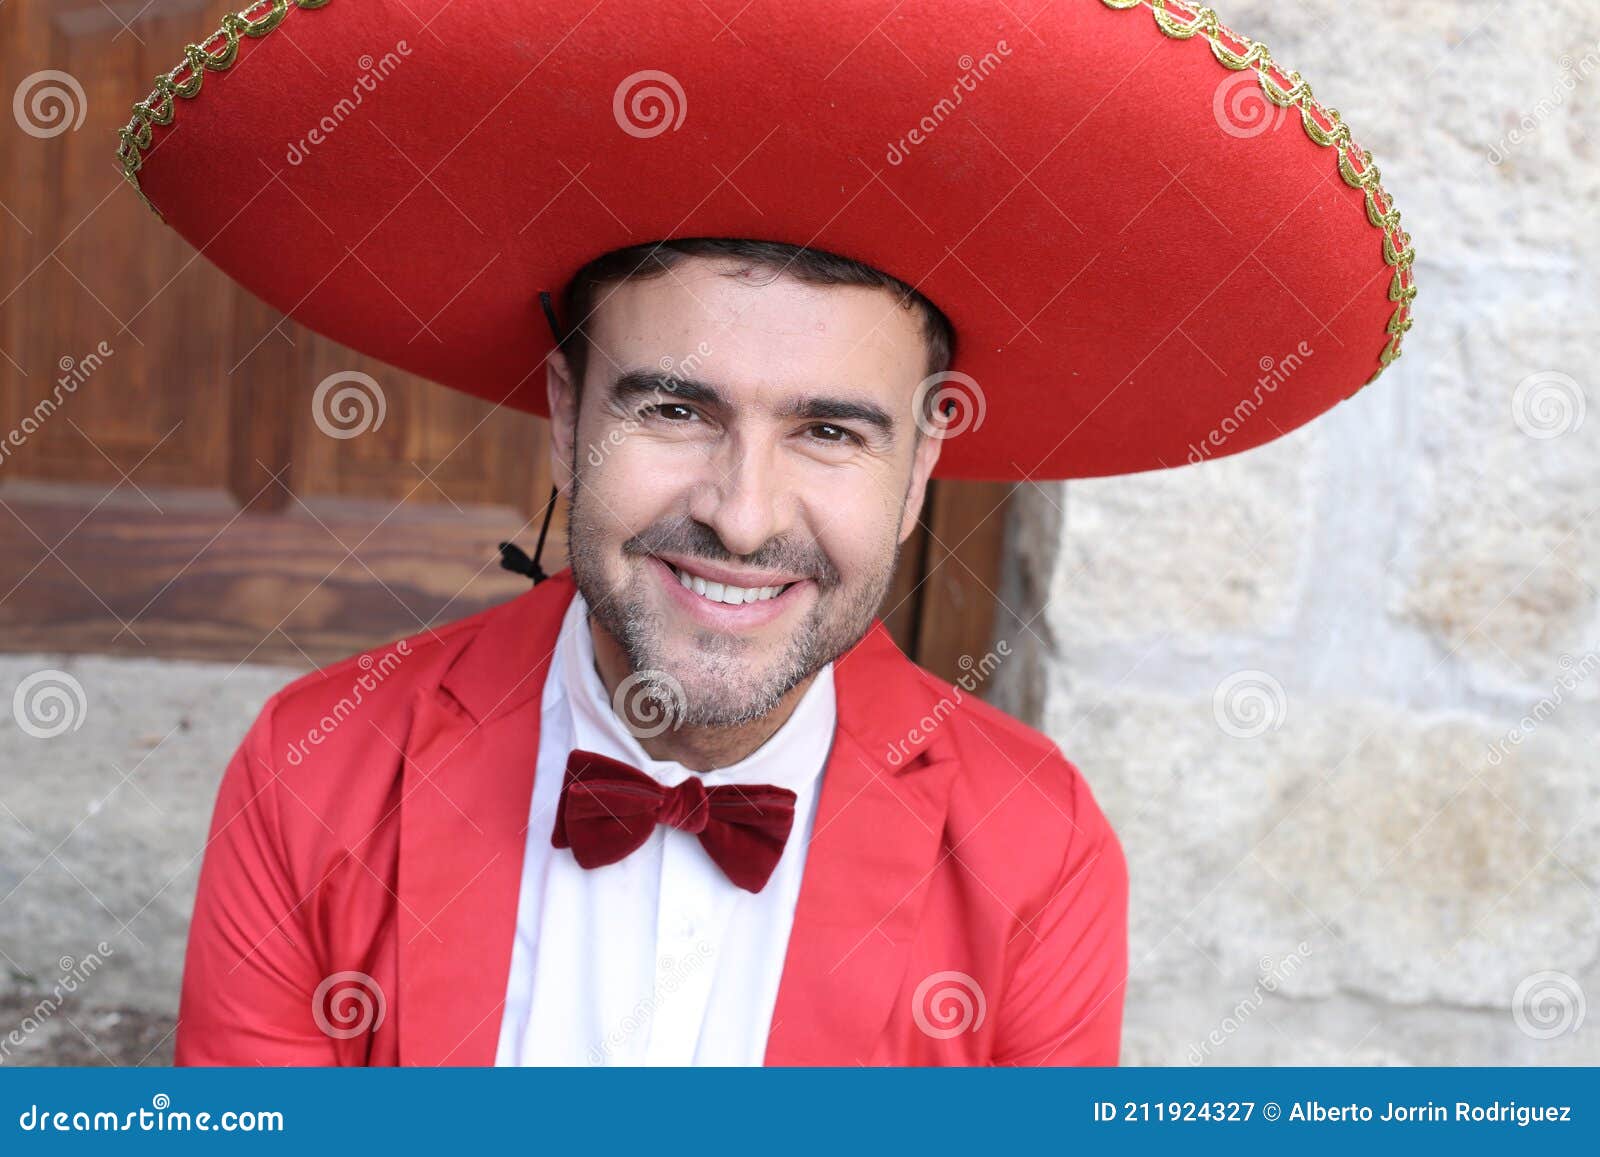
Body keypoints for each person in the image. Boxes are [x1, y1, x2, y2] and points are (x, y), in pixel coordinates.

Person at [116, 0, 1414, 1065]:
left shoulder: (1037, 851)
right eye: (676, 408)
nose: (741, 514)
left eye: (832, 433)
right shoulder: (315, 773)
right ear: (568, 418)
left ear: (919, 471)